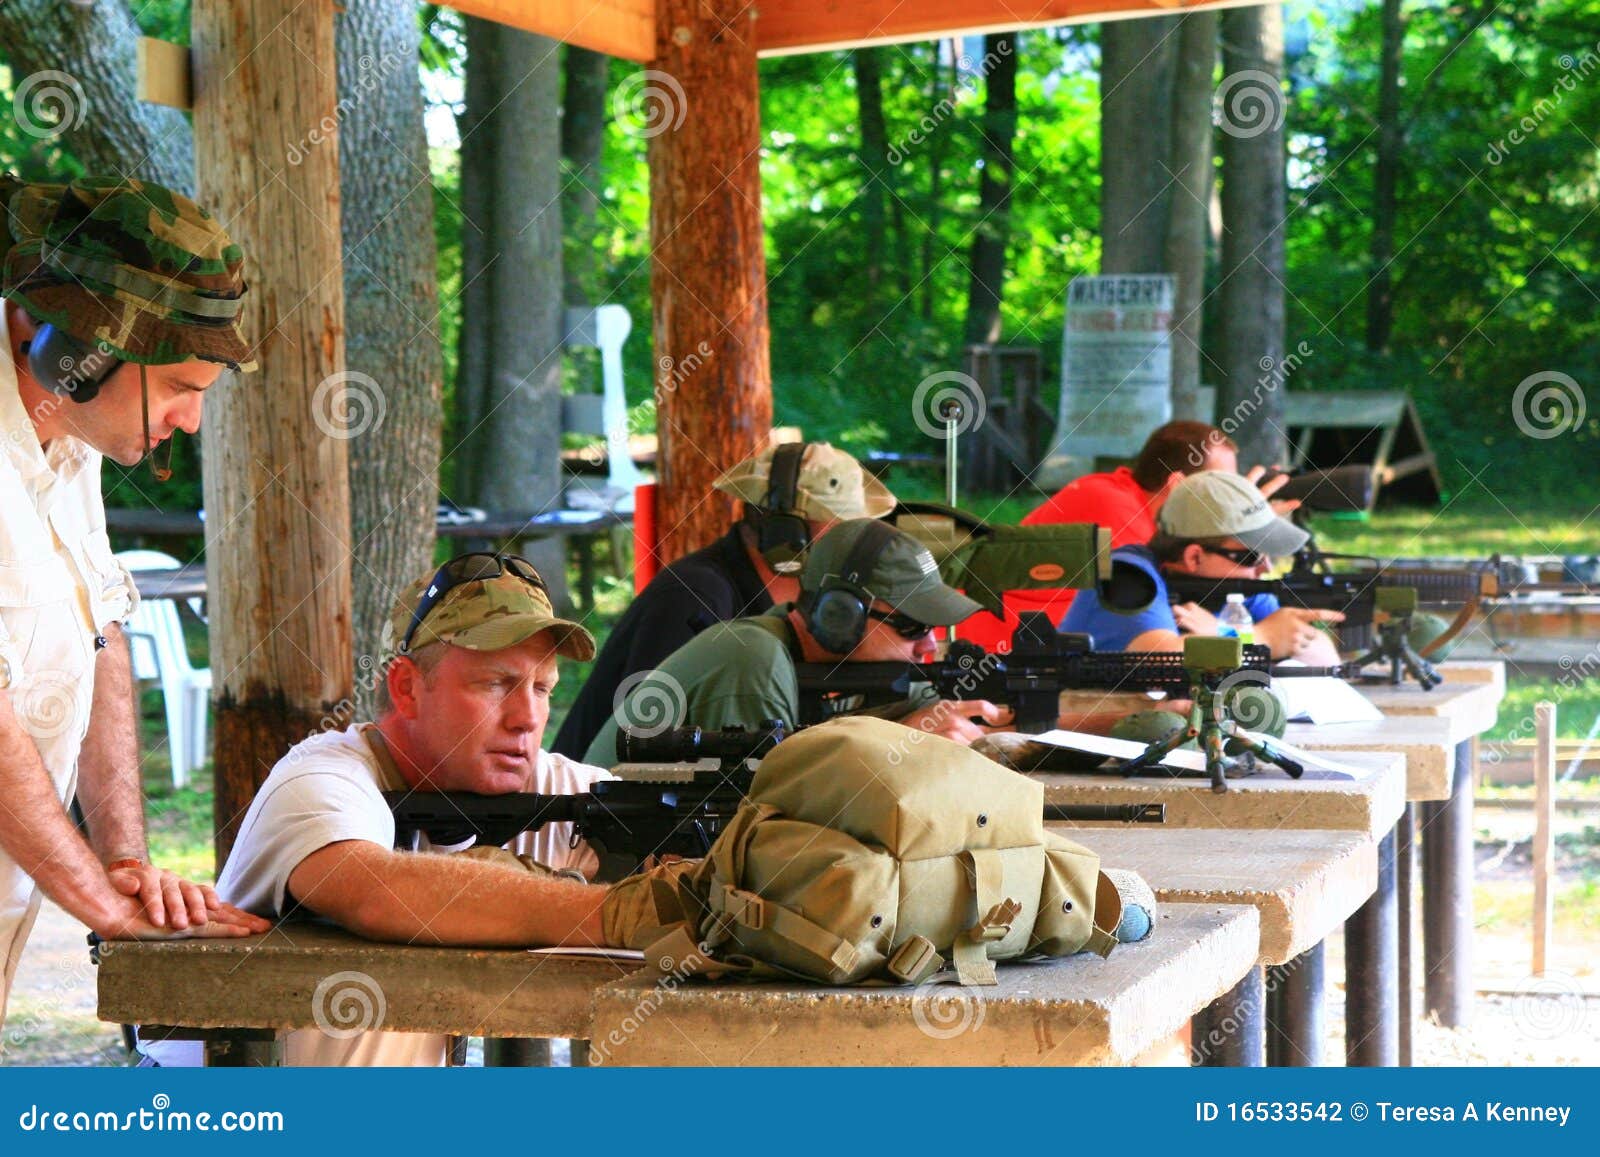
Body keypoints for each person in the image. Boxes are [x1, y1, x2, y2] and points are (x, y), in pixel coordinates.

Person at [153, 554, 630, 1066]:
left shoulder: (560, 788)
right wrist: (624, 913)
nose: (528, 718)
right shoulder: (321, 778)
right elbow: (376, 894)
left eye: (542, 688)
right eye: (495, 684)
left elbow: (687, 863)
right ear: (406, 688)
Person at [0, 175, 272, 1028]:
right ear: (70, 351)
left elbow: (102, 633)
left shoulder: (67, 432)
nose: (191, 421)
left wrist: (125, 861)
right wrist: (105, 907)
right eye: (182, 386)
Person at [551, 440, 896, 758]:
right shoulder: (695, 596)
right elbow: (646, 740)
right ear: (786, 536)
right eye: (842, 533)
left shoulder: (777, 600)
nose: (854, 549)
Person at [585, 519, 1017, 767]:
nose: (928, 646)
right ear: (840, 616)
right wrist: (891, 745)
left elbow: (959, 720)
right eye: (912, 626)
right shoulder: (754, 659)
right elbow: (763, 826)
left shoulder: (855, 666)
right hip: (599, 867)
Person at [958, 421, 1301, 650]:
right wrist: (1255, 637)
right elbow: (1164, 642)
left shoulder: (1139, 508)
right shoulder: (1116, 512)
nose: (1232, 492)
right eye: (1222, 484)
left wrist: (1250, 526)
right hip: (986, 655)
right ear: (1178, 485)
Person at [1060, 471, 1344, 663]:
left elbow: (1324, 656)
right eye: (1250, 557)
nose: (1263, 567)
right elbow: (1163, 661)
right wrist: (1257, 637)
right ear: (1194, 557)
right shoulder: (1125, 574)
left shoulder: (1240, 586)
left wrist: (1223, 633)